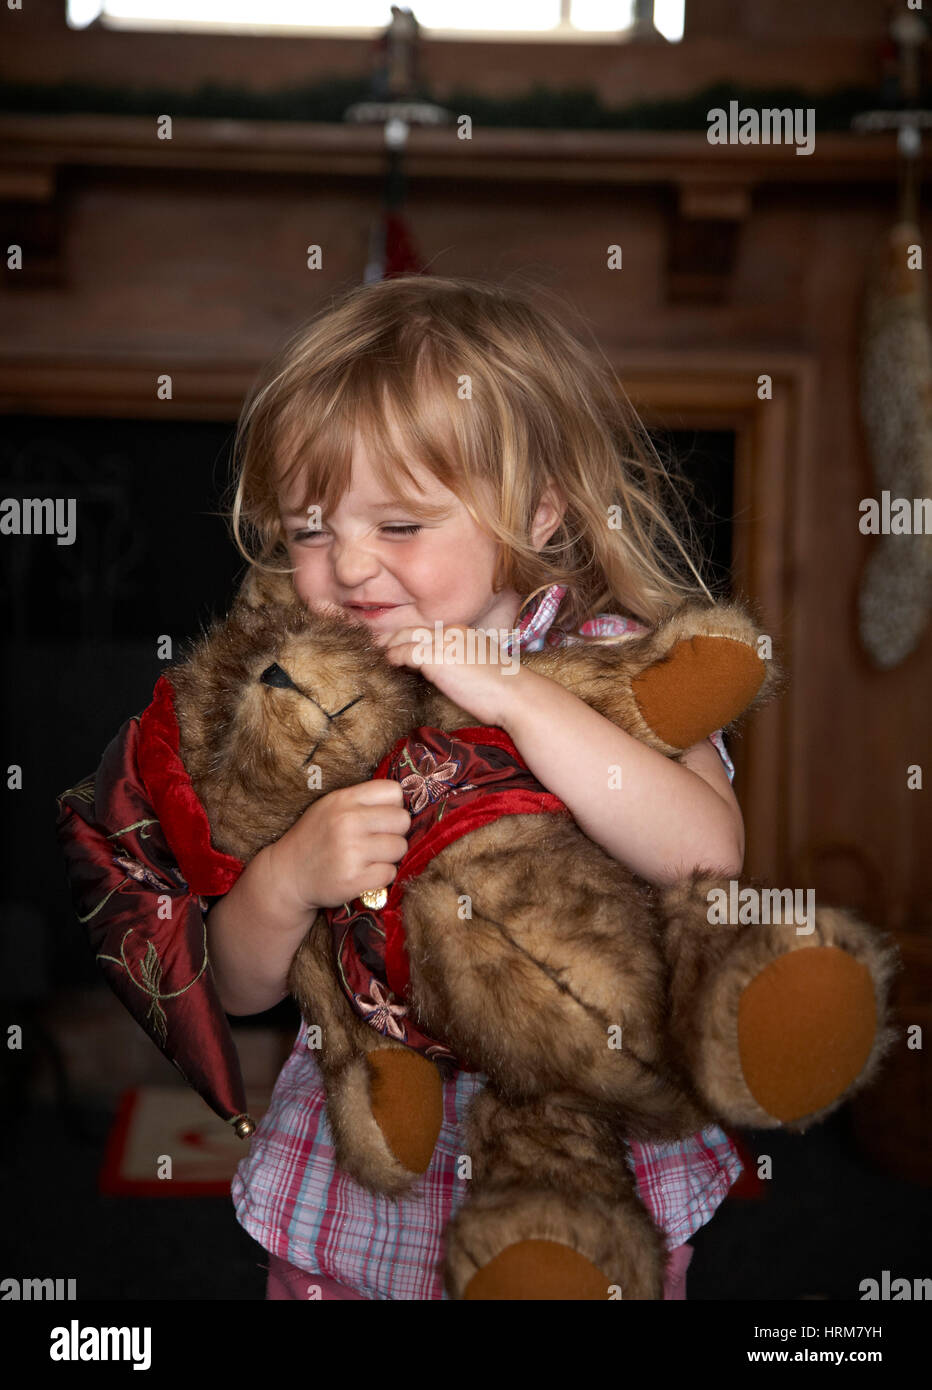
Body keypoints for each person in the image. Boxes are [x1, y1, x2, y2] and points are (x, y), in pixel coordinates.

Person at [57, 274, 745, 1301]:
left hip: (575, 1135)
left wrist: (515, 694)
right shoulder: (298, 701)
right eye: (310, 527)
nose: (348, 566)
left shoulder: (613, 662)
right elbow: (235, 988)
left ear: (536, 507)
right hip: (364, 1171)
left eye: (401, 525)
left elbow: (707, 854)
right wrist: (289, 874)